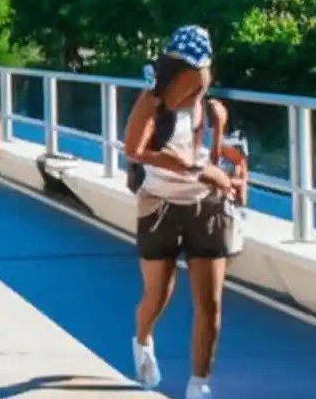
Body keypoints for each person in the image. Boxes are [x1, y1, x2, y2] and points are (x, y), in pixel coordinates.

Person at [123, 26, 241, 399]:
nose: (198, 92)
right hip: (160, 203)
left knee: (211, 304)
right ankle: (143, 340)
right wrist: (197, 171)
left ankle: (198, 384)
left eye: (203, 83)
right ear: (175, 75)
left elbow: (206, 153)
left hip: (205, 205)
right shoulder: (152, 101)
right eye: (192, 85)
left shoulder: (208, 105)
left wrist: (229, 176)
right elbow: (134, 150)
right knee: (159, 294)